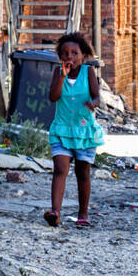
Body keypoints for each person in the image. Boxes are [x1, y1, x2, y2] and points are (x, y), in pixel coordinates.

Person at [44, 32, 104, 228]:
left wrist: (93, 103)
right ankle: (55, 212)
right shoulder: (57, 73)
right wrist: (61, 76)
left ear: (83, 56)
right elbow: (53, 97)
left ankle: (83, 213)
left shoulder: (88, 73)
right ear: (60, 57)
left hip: (84, 132)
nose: (69, 57)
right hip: (61, 130)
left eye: (74, 53)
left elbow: (97, 97)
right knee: (60, 169)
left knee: (83, 172)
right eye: (65, 53)